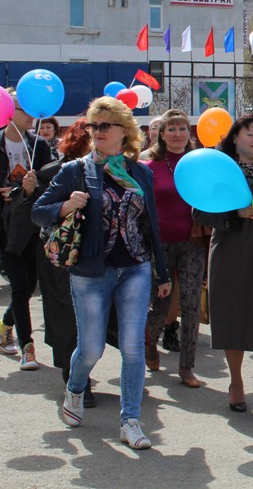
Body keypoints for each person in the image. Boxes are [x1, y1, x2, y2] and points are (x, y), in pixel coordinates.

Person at [33, 96, 171, 450]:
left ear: (124, 132)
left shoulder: (138, 170)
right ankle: (75, 389)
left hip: (136, 267)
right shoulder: (75, 170)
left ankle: (130, 420)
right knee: (91, 348)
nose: (96, 132)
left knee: (133, 347)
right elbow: (39, 210)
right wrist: (67, 204)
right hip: (92, 270)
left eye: (104, 125)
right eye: (93, 125)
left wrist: (162, 271)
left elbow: (150, 223)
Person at [193, 115, 253, 416]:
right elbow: (201, 213)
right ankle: (236, 383)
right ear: (234, 137)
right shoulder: (221, 170)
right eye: (250, 133)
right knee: (234, 313)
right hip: (232, 250)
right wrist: (239, 213)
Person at [141, 109, 208, 388]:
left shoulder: (199, 162)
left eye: (182, 129)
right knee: (161, 304)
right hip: (160, 245)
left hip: (192, 241)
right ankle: (149, 345)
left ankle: (186, 367)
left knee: (192, 304)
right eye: (172, 129)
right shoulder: (149, 166)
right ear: (161, 134)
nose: (178, 134)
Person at [34, 118, 97, 404]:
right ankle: (74, 378)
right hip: (60, 254)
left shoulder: (115, 172)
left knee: (91, 316)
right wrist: (65, 206)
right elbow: (38, 212)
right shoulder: (55, 172)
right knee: (65, 314)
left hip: (96, 256)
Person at [1, 89, 56, 369]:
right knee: (21, 288)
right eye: (24, 108)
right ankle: (27, 348)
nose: (32, 115)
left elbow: (53, 184)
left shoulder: (41, 146)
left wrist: (33, 189)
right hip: (6, 229)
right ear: (9, 111)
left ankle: (5, 324)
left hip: (34, 227)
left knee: (30, 285)